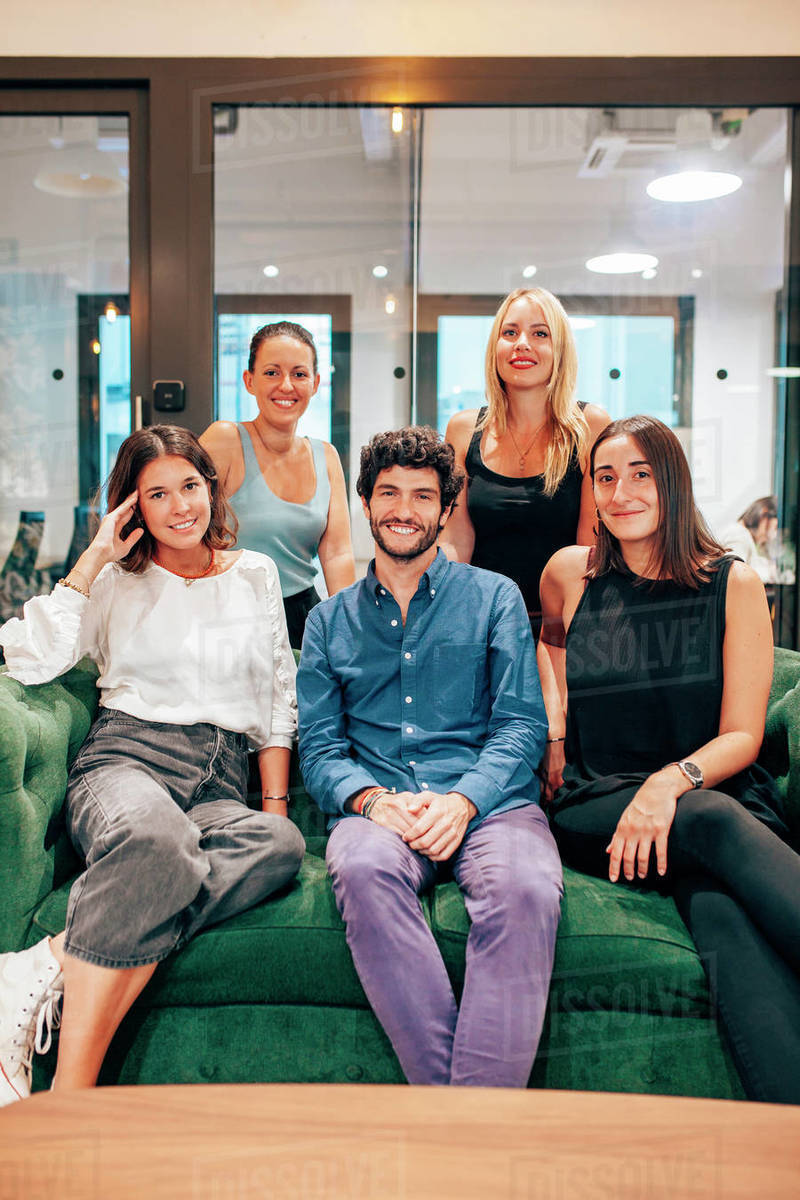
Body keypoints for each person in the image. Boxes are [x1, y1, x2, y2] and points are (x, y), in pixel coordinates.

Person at [0, 425, 305, 1105]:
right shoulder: (117, 579)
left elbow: (277, 695)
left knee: (280, 845)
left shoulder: (255, 573)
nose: (179, 507)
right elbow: (27, 657)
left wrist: (275, 803)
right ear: (133, 507)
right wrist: (95, 555)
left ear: (211, 487)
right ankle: (73, 1099)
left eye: (189, 486)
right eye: (156, 494)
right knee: (157, 844)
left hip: (222, 780)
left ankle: (45, 962)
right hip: (129, 758)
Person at [538, 414, 800, 1104]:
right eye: (605, 477)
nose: (620, 492)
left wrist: (670, 782)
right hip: (601, 803)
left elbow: (742, 735)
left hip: (708, 792)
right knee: (711, 827)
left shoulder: (731, 584)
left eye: (640, 474)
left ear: (673, 483)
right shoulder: (572, 574)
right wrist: (557, 732)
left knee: (722, 913)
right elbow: (551, 648)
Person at [297, 425, 563, 1087]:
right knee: (359, 868)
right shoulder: (329, 622)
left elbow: (521, 726)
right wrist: (371, 800)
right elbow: (322, 748)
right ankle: (469, 1123)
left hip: (490, 804)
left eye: (423, 496)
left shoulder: (495, 597)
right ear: (364, 503)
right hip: (379, 806)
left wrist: (465, 798)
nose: (404, 509)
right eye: (388, 492)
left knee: (526, 887)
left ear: (446, 510)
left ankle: (459, 1126)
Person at [441, 287, 609, 636]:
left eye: (540, 334)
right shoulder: (462, 429)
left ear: (559, 349)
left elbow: (590, 550)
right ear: (495, 347)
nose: (522, 344)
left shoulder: (590, 427)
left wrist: (564, 638)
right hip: (480, 622)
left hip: (561, 622)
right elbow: (456, 540)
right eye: (510, 332)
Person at [200, 320, 355, 647]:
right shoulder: (225, 439)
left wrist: (348, 631)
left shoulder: (325, 456)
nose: (286, 385)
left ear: (315, 383)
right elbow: (181, 526)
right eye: (272, 372)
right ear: (249, 380)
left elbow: (337, 555)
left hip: (302, 619)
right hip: (229, 617)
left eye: (299, 374)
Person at [720, 495, 778, 584]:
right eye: (775, 528)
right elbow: (734, 577)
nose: (774, 535)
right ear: (764, 515)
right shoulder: (738, 535)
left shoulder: (746, 536)